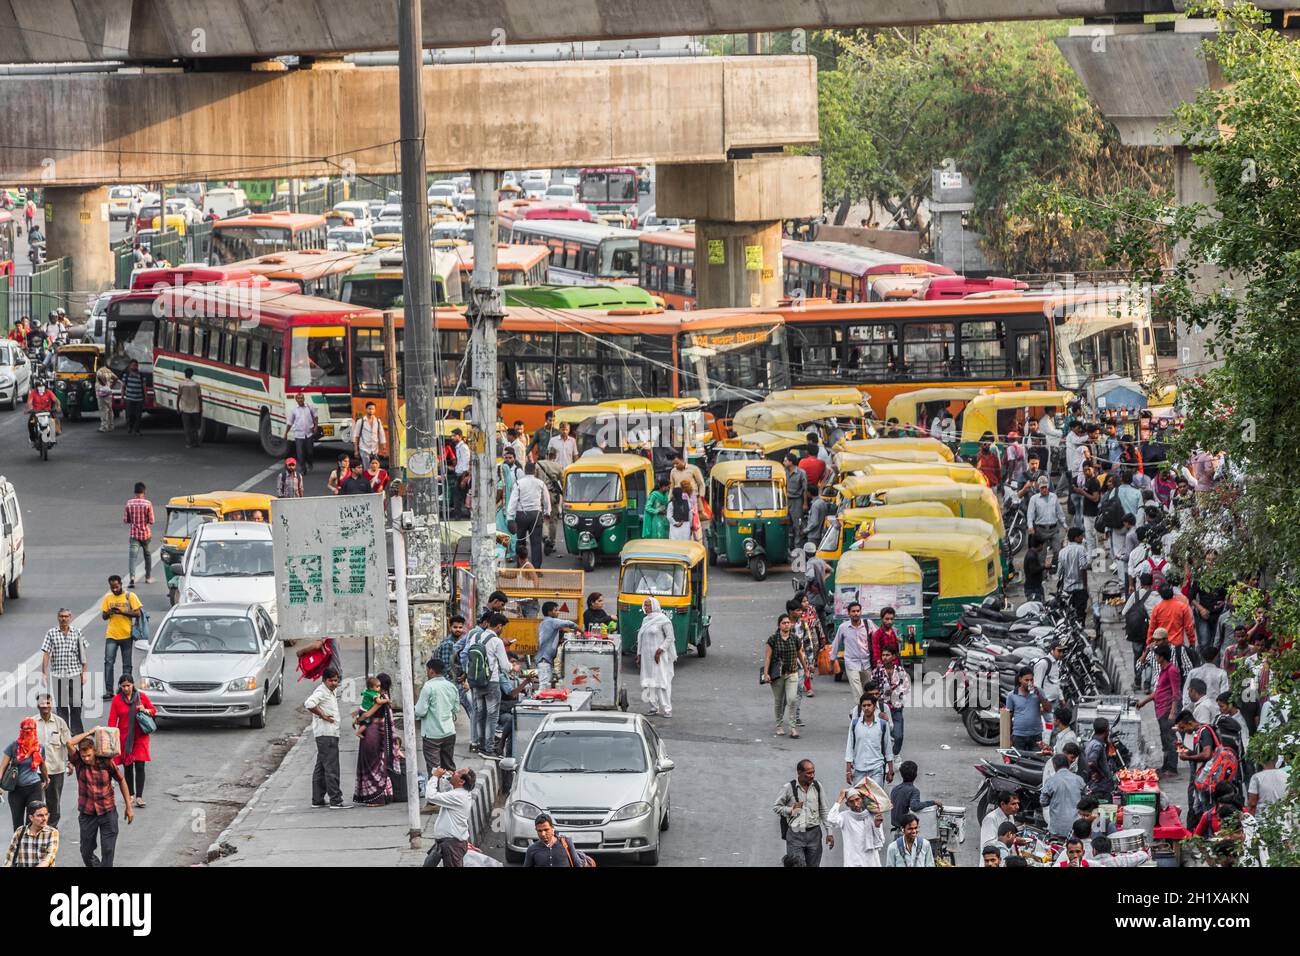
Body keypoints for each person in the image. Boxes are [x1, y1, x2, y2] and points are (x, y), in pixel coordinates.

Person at [67, 729, 132, 867]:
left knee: (108, 849)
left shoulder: (106, 762)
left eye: (89, 755)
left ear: (95, 751)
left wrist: (129, 806)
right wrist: (90, 732)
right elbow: (69, 743)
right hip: (87, 814)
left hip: (108, 812)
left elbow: (121, 780)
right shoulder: (78, 762)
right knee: (86, 851)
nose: (86, 758)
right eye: (83, 755)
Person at [305, 669, 351, 809]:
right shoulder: (322, 691)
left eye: (336, 680)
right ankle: (336, 800)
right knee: (331, 767)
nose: (334, 683)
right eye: (331, 680)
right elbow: (309, 704)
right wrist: (323, 715)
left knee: (321, 767)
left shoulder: (330, 691)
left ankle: (317, 799)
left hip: (327, 734)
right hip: (327, 734)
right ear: (324, 680)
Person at [467, 614, 511, 757]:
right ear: (499, 626)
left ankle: (479, 745)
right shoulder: (496, 641)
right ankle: (489, 749)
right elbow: (505, 666)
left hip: (476, 681)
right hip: (491, 682)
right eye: (502, 627)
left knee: (480, 714)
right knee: (492, 717)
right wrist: (513, 668)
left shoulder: (475, 637)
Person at [107, 675, 154, 809]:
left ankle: (139, 796)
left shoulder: (141, 697)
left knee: (140, 766)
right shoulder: (116, 700)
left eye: (128, 685)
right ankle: (131, 794)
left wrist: (144, 709)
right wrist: (112, 737)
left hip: (140, 737)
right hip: (125, 739)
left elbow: (153, 710)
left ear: (133, 685)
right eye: (123, 686)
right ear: (120, 687)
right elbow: (112, 720)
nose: (126, 688)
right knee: (128, 767)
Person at [350, 672, 395, 807]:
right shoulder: (381, 697)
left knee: (371, 764)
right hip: (379, 731)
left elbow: (368, 714)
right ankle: (383, 795)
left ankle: (376, 798)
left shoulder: (379, 698)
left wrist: (358, 719)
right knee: (378, 763)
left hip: (373, 732)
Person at [773, 759, 828, 867]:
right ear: (799, 772)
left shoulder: (817, 786)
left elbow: (824, 809)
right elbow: (776, 807)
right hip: (795, 834)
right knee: (796, 864)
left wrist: (829, 832)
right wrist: (790, 810)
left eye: (813, 772)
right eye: (808, 773)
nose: (812, 775)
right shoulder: (788, 788)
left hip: (814, 835)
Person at [41, 607, 87, 734]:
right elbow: (46, 653)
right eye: (61, 616)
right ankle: (64, 731)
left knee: (76, 704)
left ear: (70, 617)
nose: (64, 619)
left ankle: (77, 731)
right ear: (58, 617)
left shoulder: (77, 632)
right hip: (58, 675)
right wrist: (44, 674)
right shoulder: (51, 633)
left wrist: (85, 672)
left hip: (75, 674)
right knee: (62, 706)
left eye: (66, 616)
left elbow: (83, 653)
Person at [762, 614, 809, 738]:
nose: (786, 625)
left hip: (792, 673)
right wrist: (766, 674)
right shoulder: (772, 640)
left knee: (792, 699)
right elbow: (767, 657)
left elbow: (800, 655)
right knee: (779, 701)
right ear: (779, 625)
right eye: (784, 623)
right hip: (777, 676)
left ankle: (793, 727)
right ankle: (779, 725)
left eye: (788, 622)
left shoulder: (795, 639)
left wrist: (806, 669)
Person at [1, 717, 50, 830]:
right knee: (17, 823)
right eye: (26, 729)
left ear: (35, 730)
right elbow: (2, 767)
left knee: (33, 822)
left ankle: (31, 846)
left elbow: (42, 765)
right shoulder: (13, 747)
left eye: (31, 729)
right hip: (16, 789)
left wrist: (46, 779)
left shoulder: (39, 748)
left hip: (34, 788)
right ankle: (18, 846)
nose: (28, 732)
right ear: (21, 730)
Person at [422, 766, 476, 867]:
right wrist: (446, 778)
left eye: (458, 773)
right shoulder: (459, 793)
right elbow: (446, 792)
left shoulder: (458, 796)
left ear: (461, 782)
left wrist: (435, 777)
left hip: (451, 845)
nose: (454, 772)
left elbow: (430, 796)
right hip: (447, 844)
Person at [99, 574, 142, 700]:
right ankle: (109, 691)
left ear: (121, 584)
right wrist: (110, 612)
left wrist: (122, 611)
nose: (115, 589)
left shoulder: (130, 596)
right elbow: (104, 616)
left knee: (127, 665)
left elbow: (137, 613)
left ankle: (126, 689)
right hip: (112, 635)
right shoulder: (108, 598)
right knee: (108, 662)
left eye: (117, 587)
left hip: (126, 635)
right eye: (112, 587)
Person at [415, 658, 459, 777]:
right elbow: (456, 709)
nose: (426, 672)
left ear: (431, 671)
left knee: (435, 770)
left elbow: (420, 711)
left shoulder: (428, 687)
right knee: (449, 767)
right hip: (449, 732)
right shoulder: (451, 686)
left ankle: (435, 794)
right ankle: (451, 791)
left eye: (427, 670)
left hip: (432, 734)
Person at [32, 694, 70, 828]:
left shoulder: (60, 723)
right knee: (35, 802)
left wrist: (71, 762)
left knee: (54, 802)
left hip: (56, 769)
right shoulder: (31, 723)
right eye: (42, 703)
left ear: (51, 704)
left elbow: (68, 744)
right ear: (38, 706)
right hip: (35, 771)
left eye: (48, 703)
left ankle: (52, 827)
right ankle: (36, 828)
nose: (45, 706)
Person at [636, 597, 677, 718]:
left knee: (661, 681)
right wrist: (639, 655)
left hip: (659, 657)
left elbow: (670, 638)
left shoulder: (663, 620)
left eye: (648, 605)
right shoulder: (645, 620)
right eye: (645, 606)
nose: (646, 608)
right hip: (646, 657)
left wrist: (660, 650)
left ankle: (667, 708)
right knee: (649, 682)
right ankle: (653, 707)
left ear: (655, 605)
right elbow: (640, 638)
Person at [826, 785, 885, 867]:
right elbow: (831, 819)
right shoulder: (844, 816)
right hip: (853, 861)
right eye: (851, 801)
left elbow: (881, 840)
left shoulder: (873, 815)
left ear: (862, 799)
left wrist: (877, 826)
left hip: (871, 860)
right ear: (847, 804)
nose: (855, 804)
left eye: (857, 799)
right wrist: (839, 799)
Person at [844, 693, 893, 788]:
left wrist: (890, 770)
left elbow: (888, 747)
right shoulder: (855, 724)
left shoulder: (882, 724)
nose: (866, 708)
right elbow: (849, 746)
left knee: (875, 800)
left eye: (869, 705)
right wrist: (848, 770)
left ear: (874, 707)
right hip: (859, 769)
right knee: (859, 801)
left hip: (877, 769)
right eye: (864, 705)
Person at [508, 462, 551, 568]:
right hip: (536, 516)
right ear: (535, 471)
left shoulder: (518, 483)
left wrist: (510, 518)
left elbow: (513, 501)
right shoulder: (540, 483)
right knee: (536, 544)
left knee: (520, 542)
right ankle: (536, 568)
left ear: (524, 471)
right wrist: (547, 512)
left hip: (521, 515)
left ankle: (520, 566)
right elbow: (546, 499)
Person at [829, 601, 872, 701]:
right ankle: (860, 713)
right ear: (849, 613)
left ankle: (867, 714)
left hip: (867, 663)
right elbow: (836, 645)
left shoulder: (868, 624)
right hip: (851, 664)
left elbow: (878, 637)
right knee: (858, 693)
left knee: (869, 692)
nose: (856, 613)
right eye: (853, 611)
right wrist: (831, 663)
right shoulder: (843, 627)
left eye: (858, 611)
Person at [873, 647, 910, 756]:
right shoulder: (877, 672)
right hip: (882, 709)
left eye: (887, 655)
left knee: (898, 735)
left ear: (893, 657)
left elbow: (906, 687)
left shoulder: (900, 671)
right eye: (883, 655)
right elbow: (872, 689)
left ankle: (895, 755)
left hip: (896, 708)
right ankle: (883, 758)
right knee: (881, 735)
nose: (885, 657)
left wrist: (895, 693)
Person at [1040, 753, 1086, 838]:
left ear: (1054, 765)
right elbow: (1086, 800)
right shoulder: (1079, 780)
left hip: (1057, 829)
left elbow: (1043, 802)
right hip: (1076, 828)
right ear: (1068, 764)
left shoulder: (1051, 781)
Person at [1003, 666, 1048, 752]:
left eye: (1031, 680)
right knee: (1019, 762)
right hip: (1018, 736)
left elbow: (1048, 709)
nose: (1029, 683)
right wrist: (1008, 738)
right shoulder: (1011, 695)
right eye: (1026, 680)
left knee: (1035, 761)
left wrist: (1039, 695)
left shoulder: (1038, 692)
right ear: (1020, 679)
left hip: (1036, 735)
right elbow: (1007, 717)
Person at [524, 812, 593, 867]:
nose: (543, 834)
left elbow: (578, 865)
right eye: (539, 831)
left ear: (552, 828)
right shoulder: (531, 849)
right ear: (536, 830)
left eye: (546, 830)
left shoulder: (566, 842)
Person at [3, 800, 57, 868]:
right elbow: (9, 858)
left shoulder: (52, 832)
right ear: (31, 817)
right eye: (40, 815)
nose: (45, 818)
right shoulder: (20, 831)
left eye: (46, 814)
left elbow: (49, 858)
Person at [1026, 476, 1066, 568]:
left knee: (1057, 551)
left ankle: (1053, 568)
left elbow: (1059, 512)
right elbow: (1030, 514)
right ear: (1039, 488)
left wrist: (1064, 524)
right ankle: (1043, 574)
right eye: (1042, 488)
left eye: (1045, 487)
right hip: (1041, 530)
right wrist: (1030, 526)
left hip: (1053, 528)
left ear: (1048, 487)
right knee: (1041, 554)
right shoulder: (1034, 499)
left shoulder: (1054, 497)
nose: (1044, 490)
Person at [122, 482, 156, 588]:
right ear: (144, 492)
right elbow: (152, 521)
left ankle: (132, 578)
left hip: (134, 535)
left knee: (132, 557)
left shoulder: (129, 503)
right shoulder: (147, 504)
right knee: (147, 555)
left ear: (134, 492)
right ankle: (148, 577)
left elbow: (125, 520)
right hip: (145, 535)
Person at [889, 760, 939, 831]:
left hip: (896, 826)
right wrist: (933, 802)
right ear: (916, 775)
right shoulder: (913, 791)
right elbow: (914, 806)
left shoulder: (895, 789)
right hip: (906, 828)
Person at [537, 600, 576, 688]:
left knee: (546, 685)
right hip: (544, 660)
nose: (558, 612)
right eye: (555, 610)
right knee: (543, 686)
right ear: (549, 612)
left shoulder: (544, 623)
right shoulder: (551, 621)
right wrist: (581, 630)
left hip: (546, 660)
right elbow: (570, 623)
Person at [1148, 583, 1195, 649]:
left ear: (1160, 595)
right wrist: (1192, 642)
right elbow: (1189, 627)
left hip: (1161, 645)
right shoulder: (1182, 607)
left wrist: (1149, 642)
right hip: (1177, 645)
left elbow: (1152, 628)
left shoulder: (1157, 609)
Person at [1057, 527, 1090, 623]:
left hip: (1067, 589)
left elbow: (1060, 572)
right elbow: (1083, 568)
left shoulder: (1062, 552)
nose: (1082, 538)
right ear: (1076, 538)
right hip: (1079, 588)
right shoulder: (1081, 549)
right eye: (1081, 537)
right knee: (1080, 612)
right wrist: (1085, 585)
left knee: (1069, 613)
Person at [536, 447, 565, 553]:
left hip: (539, 495)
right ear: (555, 456)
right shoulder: (558, 467)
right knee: (553, 520)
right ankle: (551, 542)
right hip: (552, 496)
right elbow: (563, 483)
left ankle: (544, 535)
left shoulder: (538, 464)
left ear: (546, 454)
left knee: (543, 518)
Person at [1184, 647, 1229, 712]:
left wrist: (1188, 709)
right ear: (1216, 657)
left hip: (1195, 710)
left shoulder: (1193, 672)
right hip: (1215, 710)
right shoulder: (1221, 673)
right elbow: (1224, 694)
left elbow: (1186, 694)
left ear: (1201, 657)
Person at [1082, 718, 1117, 799]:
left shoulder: (1093, 742)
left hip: (1098, 787)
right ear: (1107, 730)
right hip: (1100, 788)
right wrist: (1100, 774)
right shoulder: (1097, 745)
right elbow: (1091, 762)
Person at [284, 392, 318, 472]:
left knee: (309, 452)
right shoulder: (294, 411)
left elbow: (315, 417)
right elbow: (290, 423)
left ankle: (310, 463)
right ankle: (303, 468)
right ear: (296, 400)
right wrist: (286, 433)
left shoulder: (309, 407)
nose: (300, 400)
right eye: (298, 398)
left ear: (304, 399)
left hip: (309, 434)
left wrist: (316, 427)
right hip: (299, 435)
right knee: (300, 454)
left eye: (301, 398)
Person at [352, 401, 387, 467]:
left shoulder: (377, 421)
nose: (371, 410)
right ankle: (366, 477)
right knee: (366, 468)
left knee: (375, 468)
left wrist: (384, 448)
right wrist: (356, 450)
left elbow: (382, 435)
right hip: (364, 449)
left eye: (373, 409)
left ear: (375, 410)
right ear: (366, 409)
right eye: (369, 409)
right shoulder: (361, 421)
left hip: (374, 449)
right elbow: (356, 436)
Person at [176, 367, 203, 448]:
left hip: (185, 409)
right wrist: (201, 408)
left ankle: (189, 443)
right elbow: (200, 397)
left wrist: (177, 407)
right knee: (195, 427)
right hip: (195, 409)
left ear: (185, 375)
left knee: (187, 428)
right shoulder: (196, 384)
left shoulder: (181, 384)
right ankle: (196, 443)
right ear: (192, 375)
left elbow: (179, 396)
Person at [120, 359, 147, 436]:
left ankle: (137, 430)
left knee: (138, 416)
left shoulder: (141, 375)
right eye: (133, 365)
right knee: (129, 415)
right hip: (129, 398)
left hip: (139, 399)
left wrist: (146, 397)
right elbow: (123, 387)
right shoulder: (126, 375)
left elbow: (144, 387)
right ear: (130, 366)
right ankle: (130, 427)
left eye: (135, 365)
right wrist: (122, 397)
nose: (134, 366)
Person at [784, 454, 807, 544]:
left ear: (791, 462)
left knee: (797, 523)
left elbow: (805, 489)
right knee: (786, 522)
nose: (784, 462)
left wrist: (805, 503)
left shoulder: (801, 473)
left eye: (785, 461)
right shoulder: (783, 472)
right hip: (785, 500)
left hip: (797, 500)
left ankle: (797, 544)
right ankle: (788, 544)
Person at [642, 475, 670, 539]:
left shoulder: (666, 494)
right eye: (668, 487)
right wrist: (657, 511)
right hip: (656, 519)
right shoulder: (654, 495)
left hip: (665, 519)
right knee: (657, 536)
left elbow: (665, 505)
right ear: (663, 486)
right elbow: (647, 507)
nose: (669, 489)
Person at [93, 361, 118, 432]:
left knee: (103, 410)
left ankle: (104, 427)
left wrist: (104, 384)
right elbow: (116, 378)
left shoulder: (99, 372)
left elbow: (102, 379)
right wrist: (110, 386)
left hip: (101, 393)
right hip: (108, 393)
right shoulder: (108, 371)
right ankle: (111, 426)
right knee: (110, 409)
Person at [1022, 534, 1045, 605]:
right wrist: (1044, 567)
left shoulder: (1032, 553)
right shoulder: (1031, 556)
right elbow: (1033, 570)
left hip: (1036, 586)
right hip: (1033, 588)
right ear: (1040, 545)